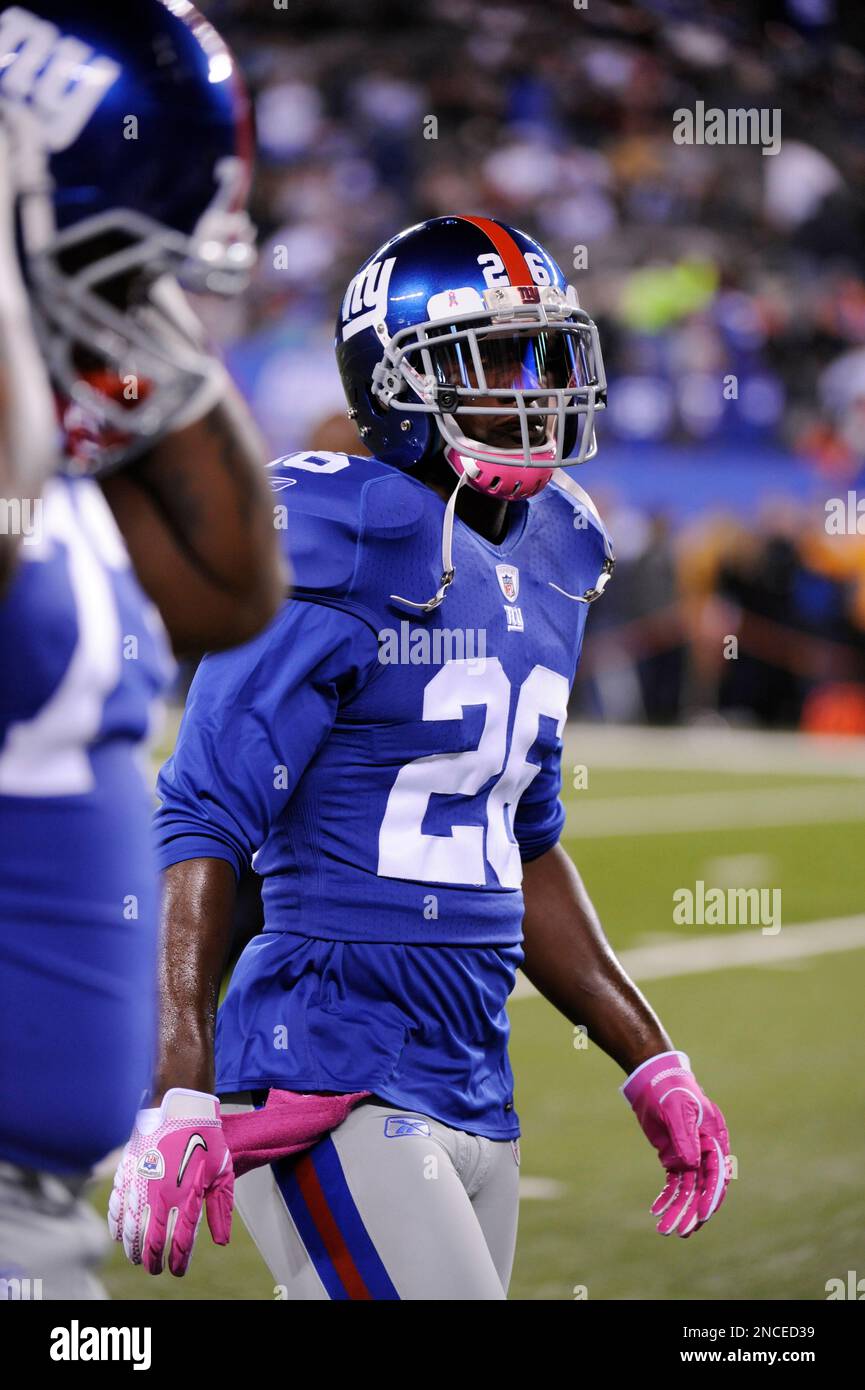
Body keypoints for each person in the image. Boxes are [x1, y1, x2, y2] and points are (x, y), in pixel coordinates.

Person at [118, 215, 729, 1299]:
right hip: (329, 1063)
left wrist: (650, 1055)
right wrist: (180, 1086)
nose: (530, 386)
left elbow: (525, 839)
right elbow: (204, 816)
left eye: (541, 354)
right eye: (489, 358)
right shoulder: (332, 526)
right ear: (396, 379)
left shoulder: (561, 544)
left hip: (473, 1072)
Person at [0, 0, 285, 1300]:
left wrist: (131, 326)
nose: (144, 304)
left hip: (39, 1210)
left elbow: (232, 588)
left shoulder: (58, 432)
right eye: (124, 269)